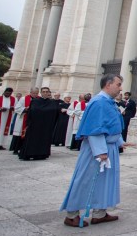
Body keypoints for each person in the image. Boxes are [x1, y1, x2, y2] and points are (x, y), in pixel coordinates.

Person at [60, 74, 125, 227]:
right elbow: (95, 129)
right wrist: (100, 152)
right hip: (97, 150)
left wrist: (120, 141)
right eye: (118, 84)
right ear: (108, 85)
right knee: (86, 180)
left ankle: (99, 213)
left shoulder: (108, 102)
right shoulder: (99, 102)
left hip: (109, 147)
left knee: (104, 181)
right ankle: (72, 214)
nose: (120, 88)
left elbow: (110, 124)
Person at [19, 87, 61, 160]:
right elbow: (31, 112)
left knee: (44, 140)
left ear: (49, 93)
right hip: (35, 125)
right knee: (32, 140)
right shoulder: (35, 101)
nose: (45, 93)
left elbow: (55, 113)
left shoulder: (52, 102)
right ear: (41, 93)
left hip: (47, 125)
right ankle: (30, 154)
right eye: (43, 92)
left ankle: (42, 154)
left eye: (46, 92)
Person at [10, 88, 37, 154]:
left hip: (33, 120)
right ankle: (16, 149)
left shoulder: (38, 99)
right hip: (23, 119)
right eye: (34, 93)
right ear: (30, 92)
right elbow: (17, 108)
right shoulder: (23, 99)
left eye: (37, 93)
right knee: (20, 135)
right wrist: (25, 108)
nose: (35, 94)